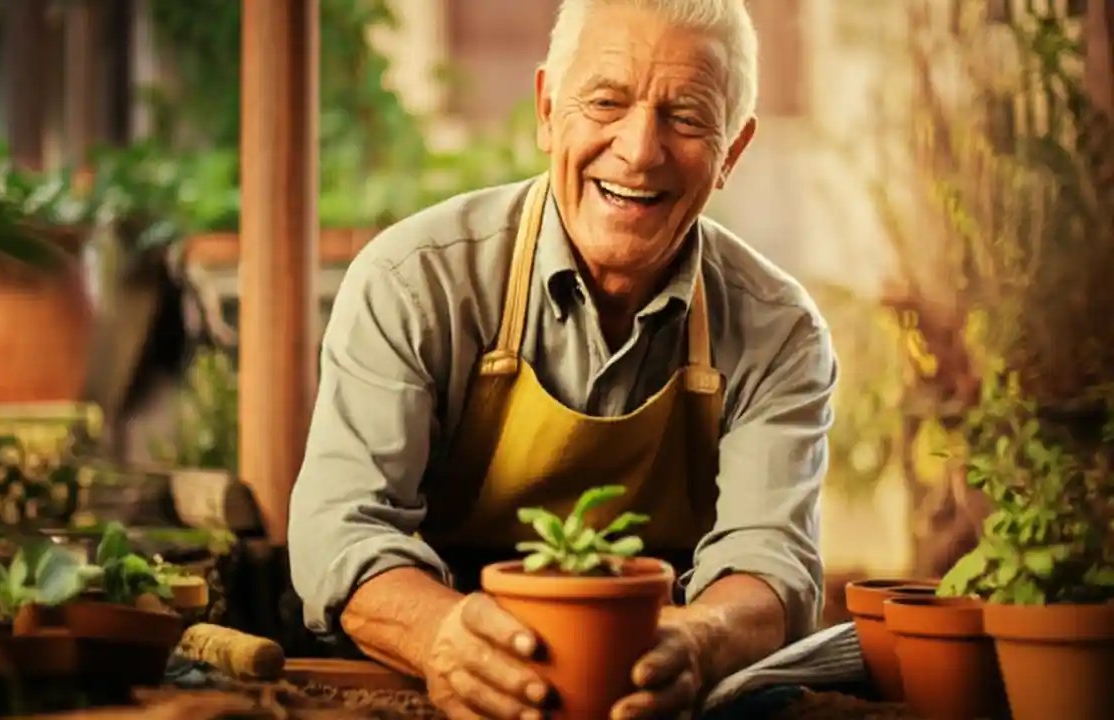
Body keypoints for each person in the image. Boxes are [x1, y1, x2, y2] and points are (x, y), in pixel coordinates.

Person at [289, 0, 838, 717]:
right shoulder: (413, 283)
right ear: (547, 110)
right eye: (606, 101)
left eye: (688, 117)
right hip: (435, 686)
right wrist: (438, 635)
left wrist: (700, 642)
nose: (640, 150)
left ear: (732, 150)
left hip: (643, 692)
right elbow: (341, 529)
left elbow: (772, 566)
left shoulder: (779, 332)